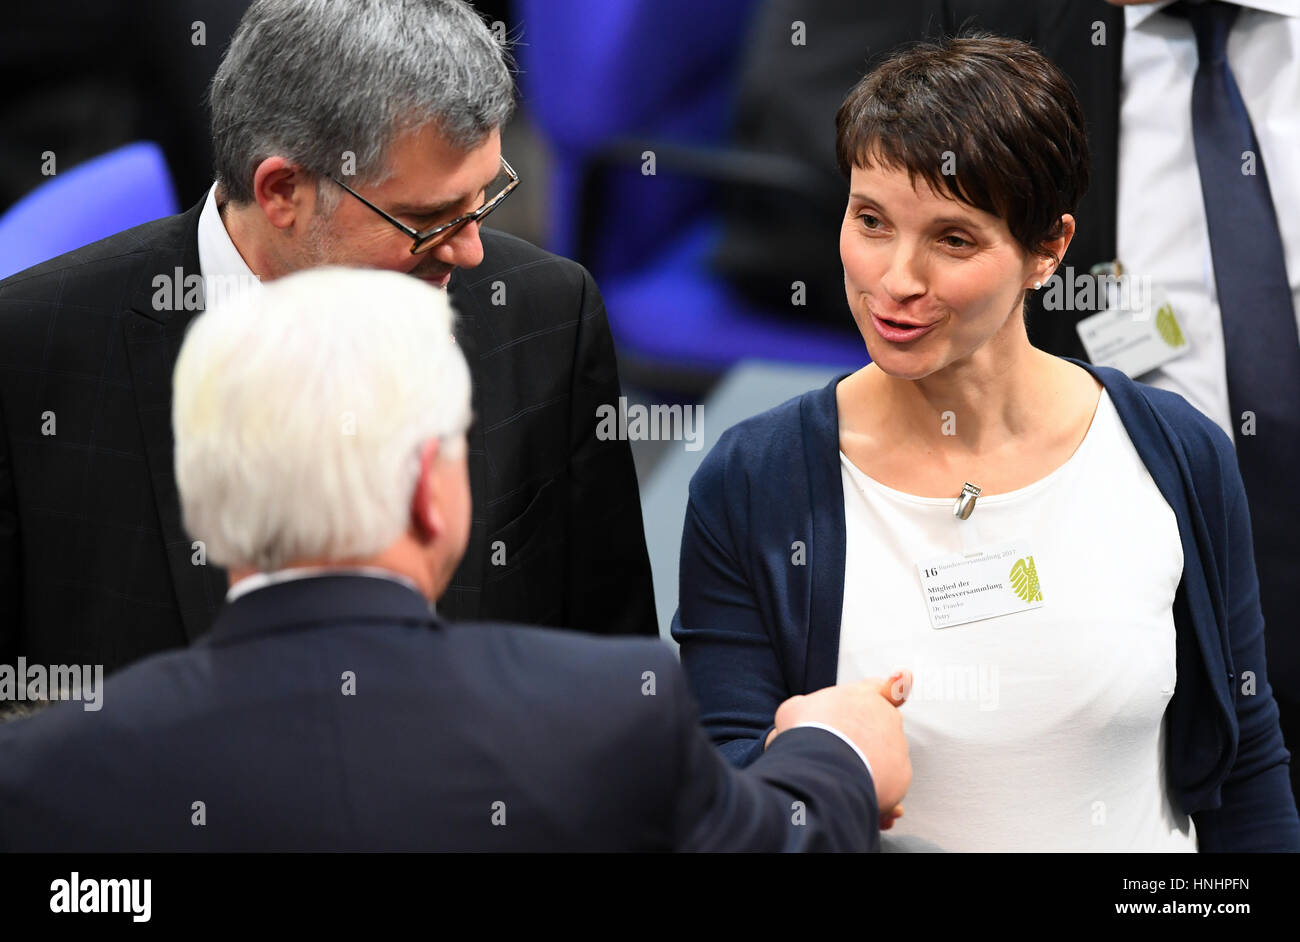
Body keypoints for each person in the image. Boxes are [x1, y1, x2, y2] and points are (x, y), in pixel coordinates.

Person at [0, 268, 910, 851]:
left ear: (205, 501)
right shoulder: (607, 715)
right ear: (431, 493)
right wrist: (837, 751)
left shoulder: (44, 775)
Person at [673, 34, 1299, 851]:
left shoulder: (1179, 456)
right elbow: (729, 814)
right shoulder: (753, 484)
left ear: (1049, 249)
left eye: (953, 239)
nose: (896, 279)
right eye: (871, 221)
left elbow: (1247, 765)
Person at [0, 0, 656, 690]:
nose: (469, 251)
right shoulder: (31, 359)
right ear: (282, 191)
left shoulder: (545, 315)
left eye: (484, 199)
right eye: (429, 219)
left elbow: (611, 667)